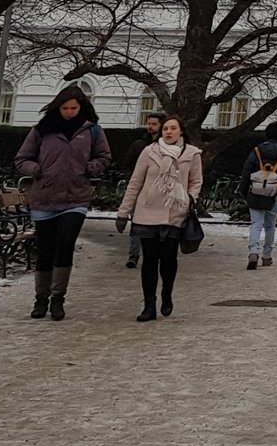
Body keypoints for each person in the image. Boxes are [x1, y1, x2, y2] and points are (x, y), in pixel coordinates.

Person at [13, 84, 111, 321]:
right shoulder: (42, 130)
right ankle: (40, 299)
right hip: (45, 198)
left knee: (65, 245)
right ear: (58, 107)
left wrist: (89, 168)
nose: (69, 112)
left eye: (74, 108)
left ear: (82, 107)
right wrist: (37, 170)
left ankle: (58, 298)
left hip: (75, 197)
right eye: (65, 108)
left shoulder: (92, 131)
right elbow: (21, 159)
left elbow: (105, 157)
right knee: (46, 249)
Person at [115, 114, 202, 322]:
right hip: (148, 212)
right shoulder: (149, 152)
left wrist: (189, 200)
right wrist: (123, 212)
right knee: (150, 260)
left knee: (169, 259)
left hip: (175, 212)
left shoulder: (192, 153)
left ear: (181, 131)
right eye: (165, 129)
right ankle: (149, 304)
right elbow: (135, 182)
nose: (169, 132)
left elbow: (196, 181)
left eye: (173, 128)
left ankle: (166, 294)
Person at [243, 121, 277, 269]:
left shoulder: (257, 151)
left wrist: (244, 191)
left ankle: (253, 252)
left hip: (256, 192)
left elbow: (246, 172)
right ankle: (267, 256)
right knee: (270, 226)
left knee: (255, 224)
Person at [124, 110, 163, 269]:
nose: (150, 127)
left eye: (154, 124)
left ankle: (154, 254)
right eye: (149, 124)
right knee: (136, 222)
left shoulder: (167, 147)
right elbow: (128, 164)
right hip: (139, 189)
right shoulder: (139, 145)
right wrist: (131, 180)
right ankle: (133, 255)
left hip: (158, 191)